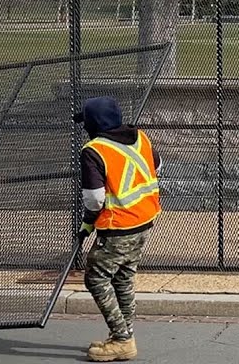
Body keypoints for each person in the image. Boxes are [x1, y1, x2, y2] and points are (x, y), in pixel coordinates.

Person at [77, 96, 162, 362]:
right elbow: (156, 166)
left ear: (93, 123)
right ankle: (124, 336)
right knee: (123, 278)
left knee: (96, 277)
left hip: (119, 225)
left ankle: (122, 338)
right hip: (145, 219)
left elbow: (94, 198)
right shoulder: (141, 137)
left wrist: (87, 223)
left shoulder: (94, 150)